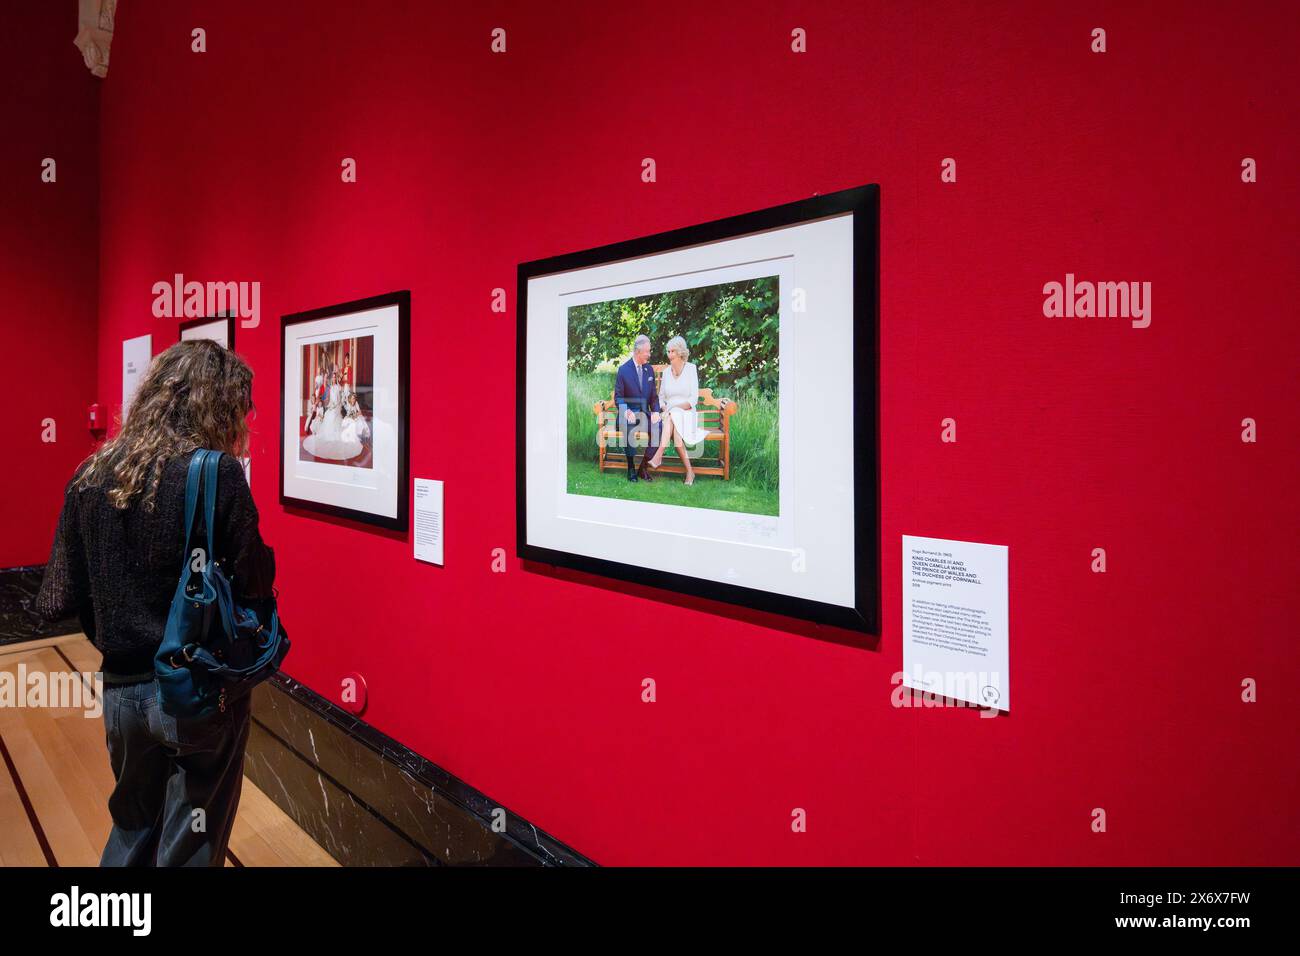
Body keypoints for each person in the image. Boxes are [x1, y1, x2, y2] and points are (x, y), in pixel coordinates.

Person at [35, 339, 275, 867]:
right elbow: (256, 580)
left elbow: (59, 596)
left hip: (121, 693)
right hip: (196, 691)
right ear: (220, 406)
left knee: (132, 829)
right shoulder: (216, 473)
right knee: (190, 842)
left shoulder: (92, 474)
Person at [647, 335, 709, 485]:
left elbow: (693, 400)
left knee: (673, 414)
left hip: (687, 413)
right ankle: (690, 472)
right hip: (669, 414)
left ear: (681, 352)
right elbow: (661, 397)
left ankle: (659, 454)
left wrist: (673, 407)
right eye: (668, 351)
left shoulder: (691, 369)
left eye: (673, 351)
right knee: (674, 428)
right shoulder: (667, 372)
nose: (669, 354)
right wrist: (664, 407)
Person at [613, 334, 663, 482]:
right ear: (638, 351)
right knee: (628, 426)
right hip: (628, 415)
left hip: (644, 415)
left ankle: (643, 468)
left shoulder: (649, 370)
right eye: (647, 351)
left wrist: (655, 411)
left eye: (649, 351)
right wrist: (627, 411)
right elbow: (618, 397)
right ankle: (630, 468)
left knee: (658, 426)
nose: (649, 354)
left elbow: (654, 397)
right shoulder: (623, 370)